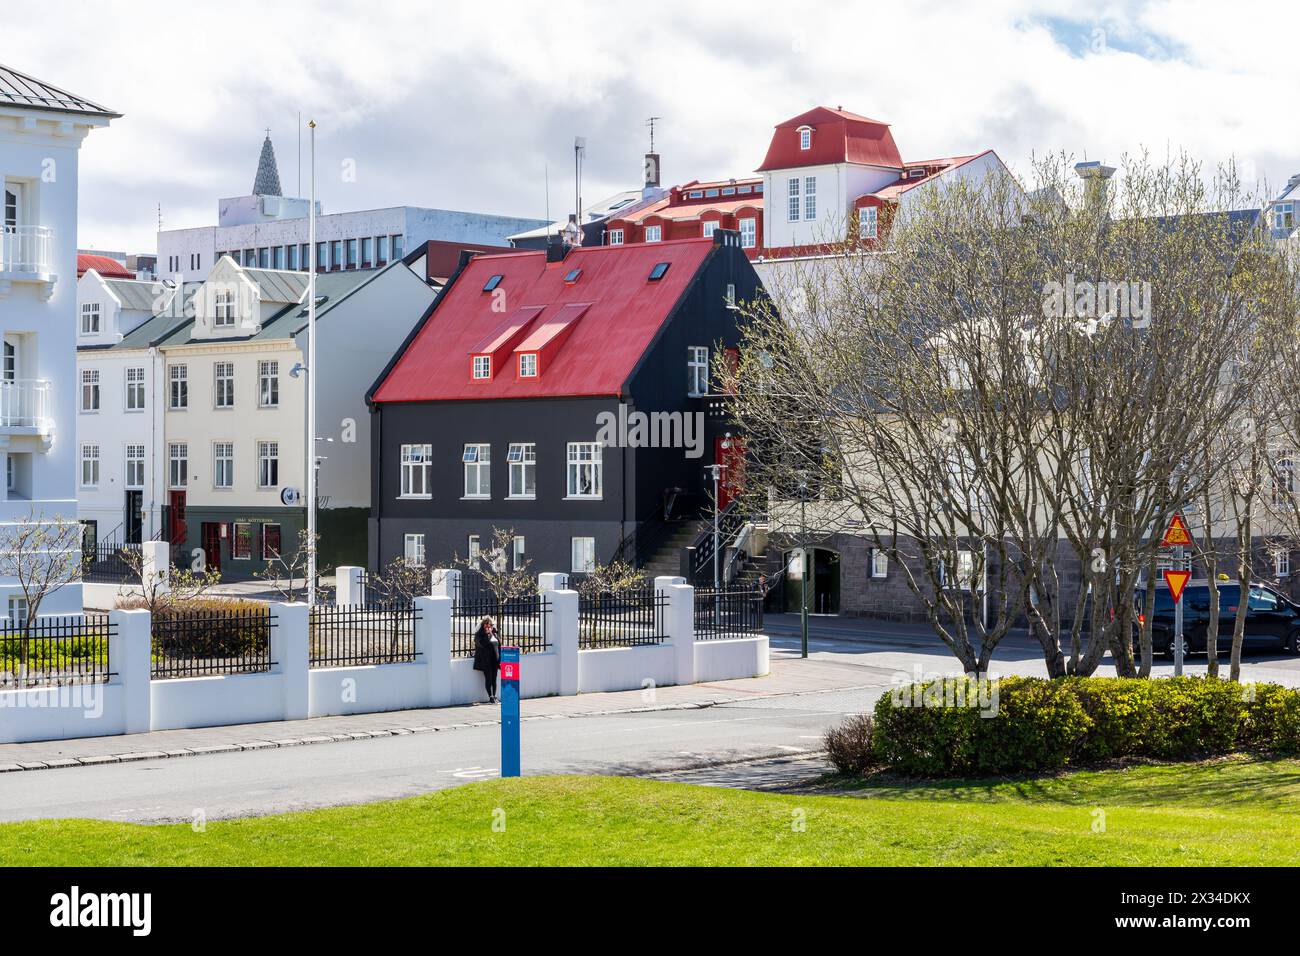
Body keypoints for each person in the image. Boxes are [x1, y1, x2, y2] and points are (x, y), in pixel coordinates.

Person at [472, 616, 501, 703]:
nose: (489, 627)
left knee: (494, 678)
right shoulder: (479, 635)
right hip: (486, 660)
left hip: (495, 660)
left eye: (491, 625)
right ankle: (490, 696)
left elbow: (499, 646)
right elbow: (482, 644)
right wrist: (487, 634)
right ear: (483, 626)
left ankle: (495, 695)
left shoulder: (495, 634)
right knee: (488, 678)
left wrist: (500, 659)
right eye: (487, 626)